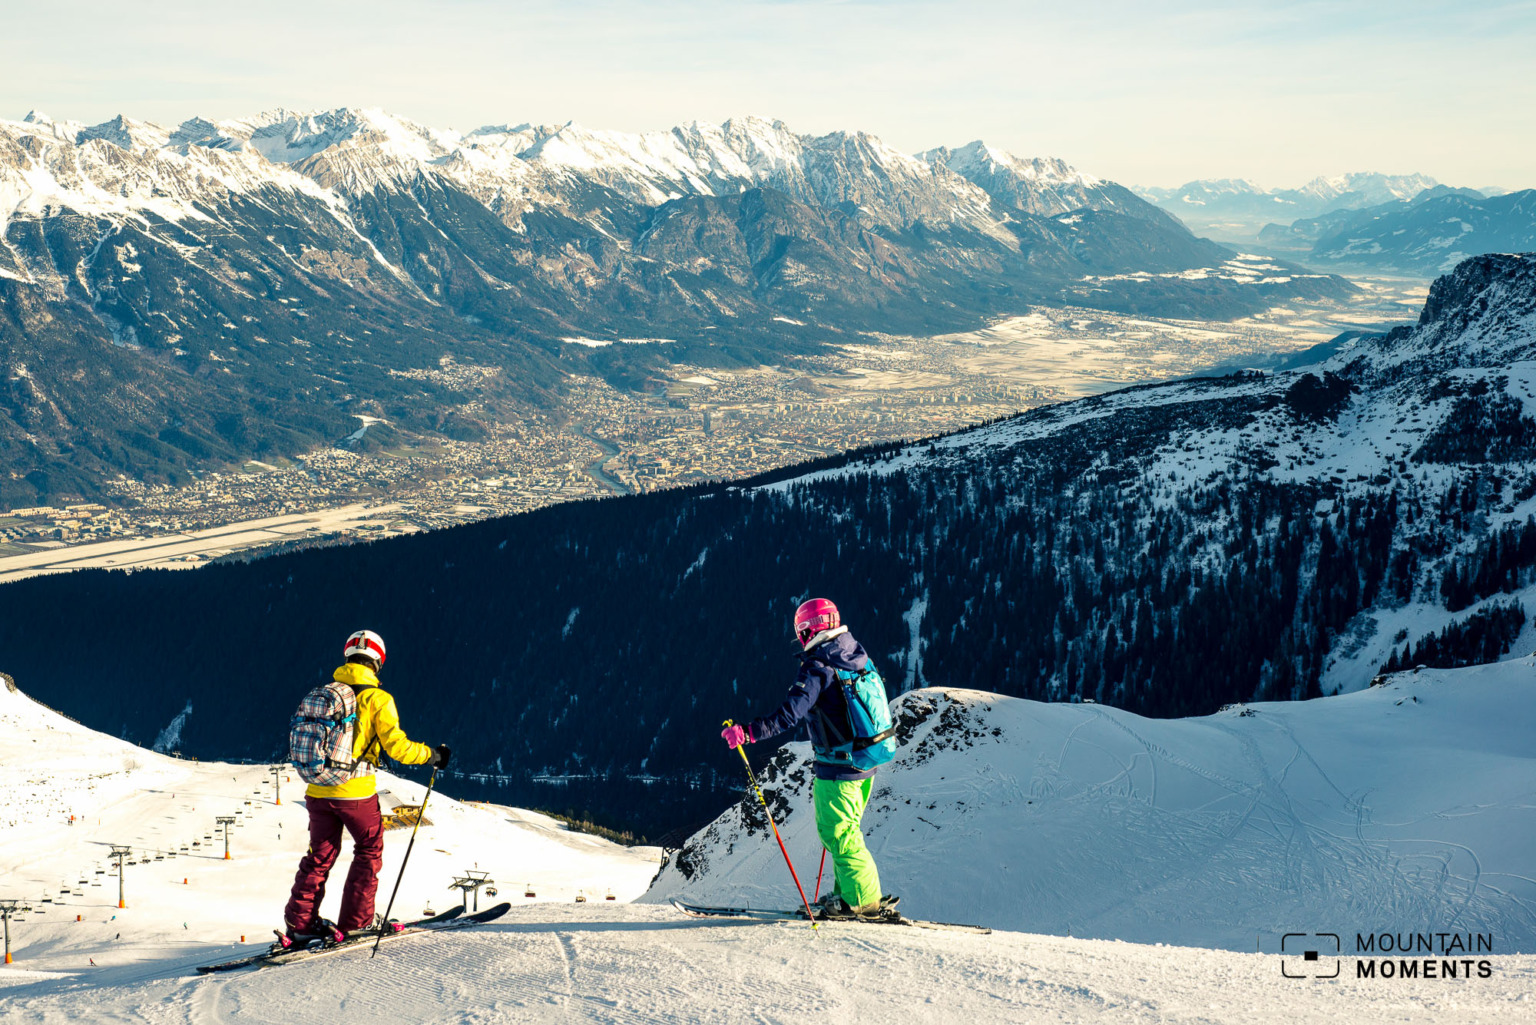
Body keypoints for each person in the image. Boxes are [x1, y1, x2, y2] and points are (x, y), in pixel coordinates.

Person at [721, 598, 896, 921]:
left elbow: (790, 714)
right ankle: (848, 894)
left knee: (838, 833)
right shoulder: (853, 653)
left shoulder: (818, 667)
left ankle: (862, 900)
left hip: (839, 767)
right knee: (845, 831)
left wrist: (748, 732)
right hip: (865, 759)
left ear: (807, 630)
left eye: (800, 632)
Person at [282, 629, 450, 944]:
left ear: (347, 656)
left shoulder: (324, 694)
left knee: (319, 857)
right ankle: (356, 922)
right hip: (356, 793)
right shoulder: (378, 699)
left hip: (317, 789)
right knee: (369, 850)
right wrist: (432, 755)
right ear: (378, 662)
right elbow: (398, 749)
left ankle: (300, 924)